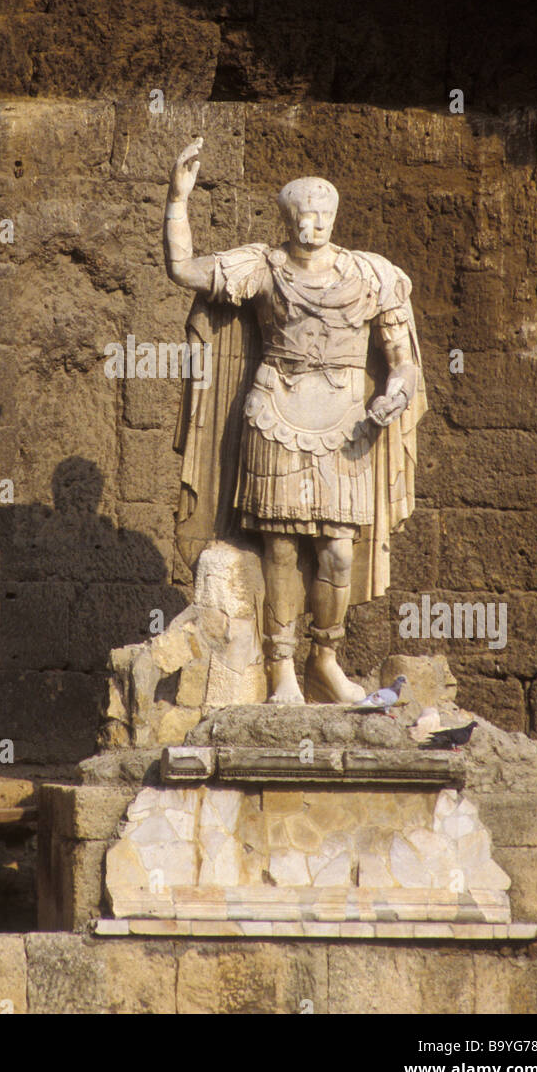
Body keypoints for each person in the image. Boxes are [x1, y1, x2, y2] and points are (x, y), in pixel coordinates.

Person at [165, 137, 426, 704]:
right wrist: (177, 200)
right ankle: (281, 668)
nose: (313, 226)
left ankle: (325, 662)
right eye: (302, 217)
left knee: (337, 549)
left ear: (335, 217)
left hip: (348, 424)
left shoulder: (375, 276)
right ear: (287, 218)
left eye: (323, 216)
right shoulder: (263, 266)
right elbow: (184, 270)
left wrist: (394, 396)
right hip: (274, 412)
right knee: (280, 548)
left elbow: (404, 365)